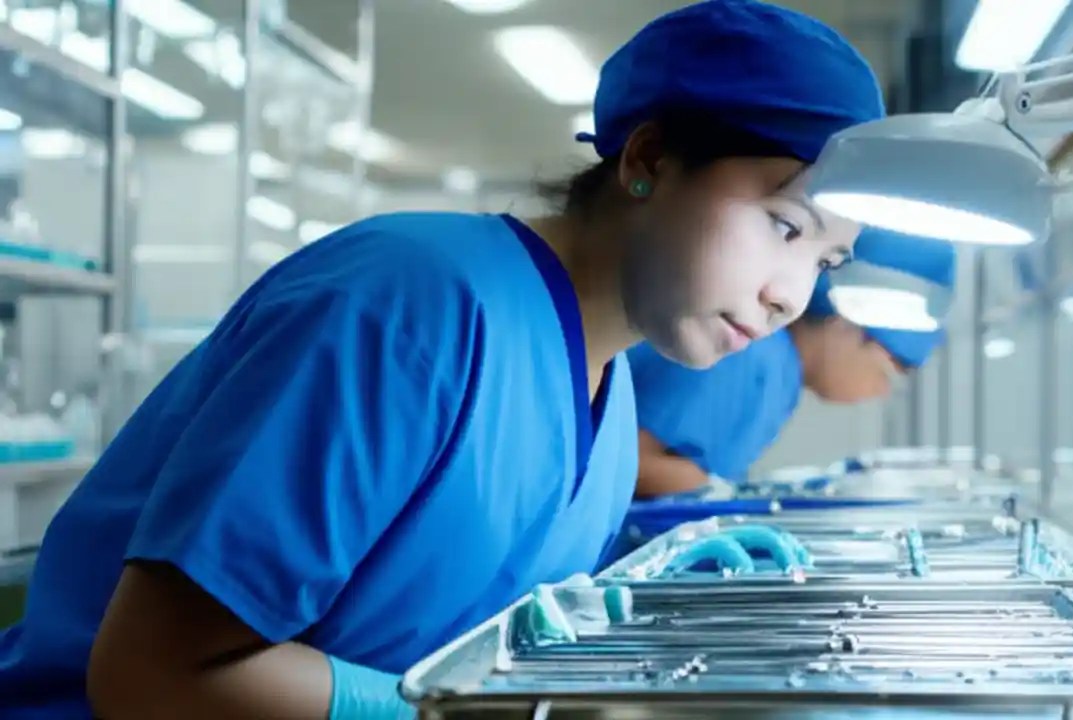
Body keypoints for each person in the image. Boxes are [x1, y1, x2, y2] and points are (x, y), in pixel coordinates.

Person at [0, 1, 885, 718]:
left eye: (826, 261)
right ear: (650, 158)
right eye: (785, 226)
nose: (791, 296)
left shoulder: (608, 400)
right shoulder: (411, 305)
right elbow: (152, 679)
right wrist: (441, 709)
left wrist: (623, 606)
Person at [630, 228, 955, 497]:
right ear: (845, 323)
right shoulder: (754, 357)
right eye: (890, 372)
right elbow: (634, 461)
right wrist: (735, 501)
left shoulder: (778, 372)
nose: (882, 391)